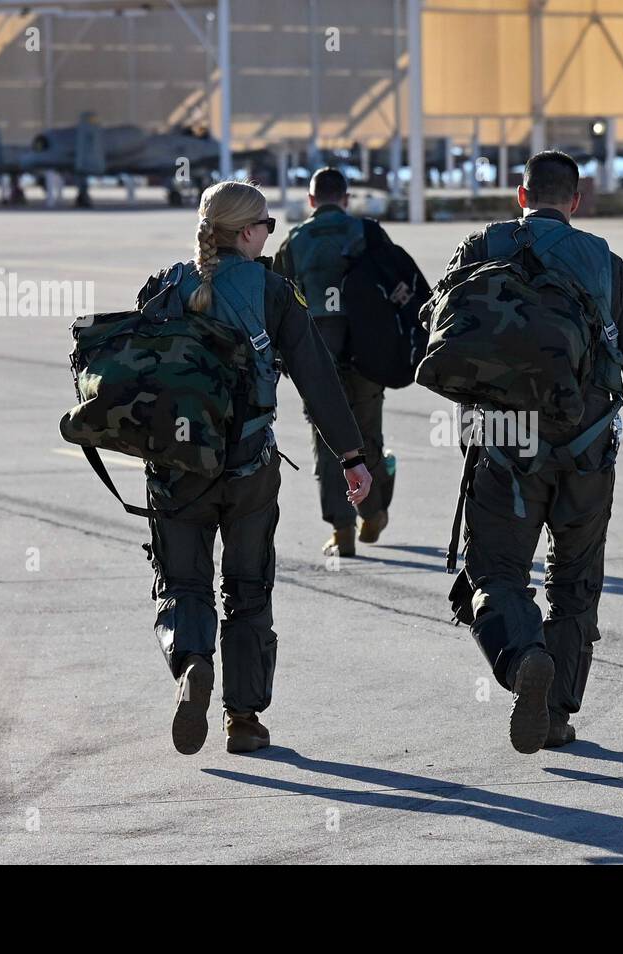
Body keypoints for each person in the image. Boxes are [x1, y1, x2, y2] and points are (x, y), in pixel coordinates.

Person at [424, 150, 623, 753]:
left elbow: (436, 331)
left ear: (521, 195)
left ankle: (523, 663)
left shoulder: (479, 247)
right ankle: (560, 713)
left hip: (505, 441)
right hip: (588, 444)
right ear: (575, 201)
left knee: (495, 570)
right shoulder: (606, 264)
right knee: (574, 580)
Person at [136, 180, 372, 756]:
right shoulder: (272, 291)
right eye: (266, 224)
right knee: (247, 590)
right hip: (249, 468)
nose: (271, 233)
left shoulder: (166, 286)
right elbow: (318, 378)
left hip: (177, 469)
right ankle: (243, 719)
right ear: (246, 232)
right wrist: (352, 455)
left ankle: (193, 662)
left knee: (184, 584)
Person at [273, 167, 397, 557]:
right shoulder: (366, 233)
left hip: (314, 360)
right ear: (346, 199)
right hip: (366, 355)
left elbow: (278, 303)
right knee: (367, 436)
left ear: (311, 200)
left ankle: (343, 532)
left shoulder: (294, 242)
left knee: (330, 443)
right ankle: (372, 513)